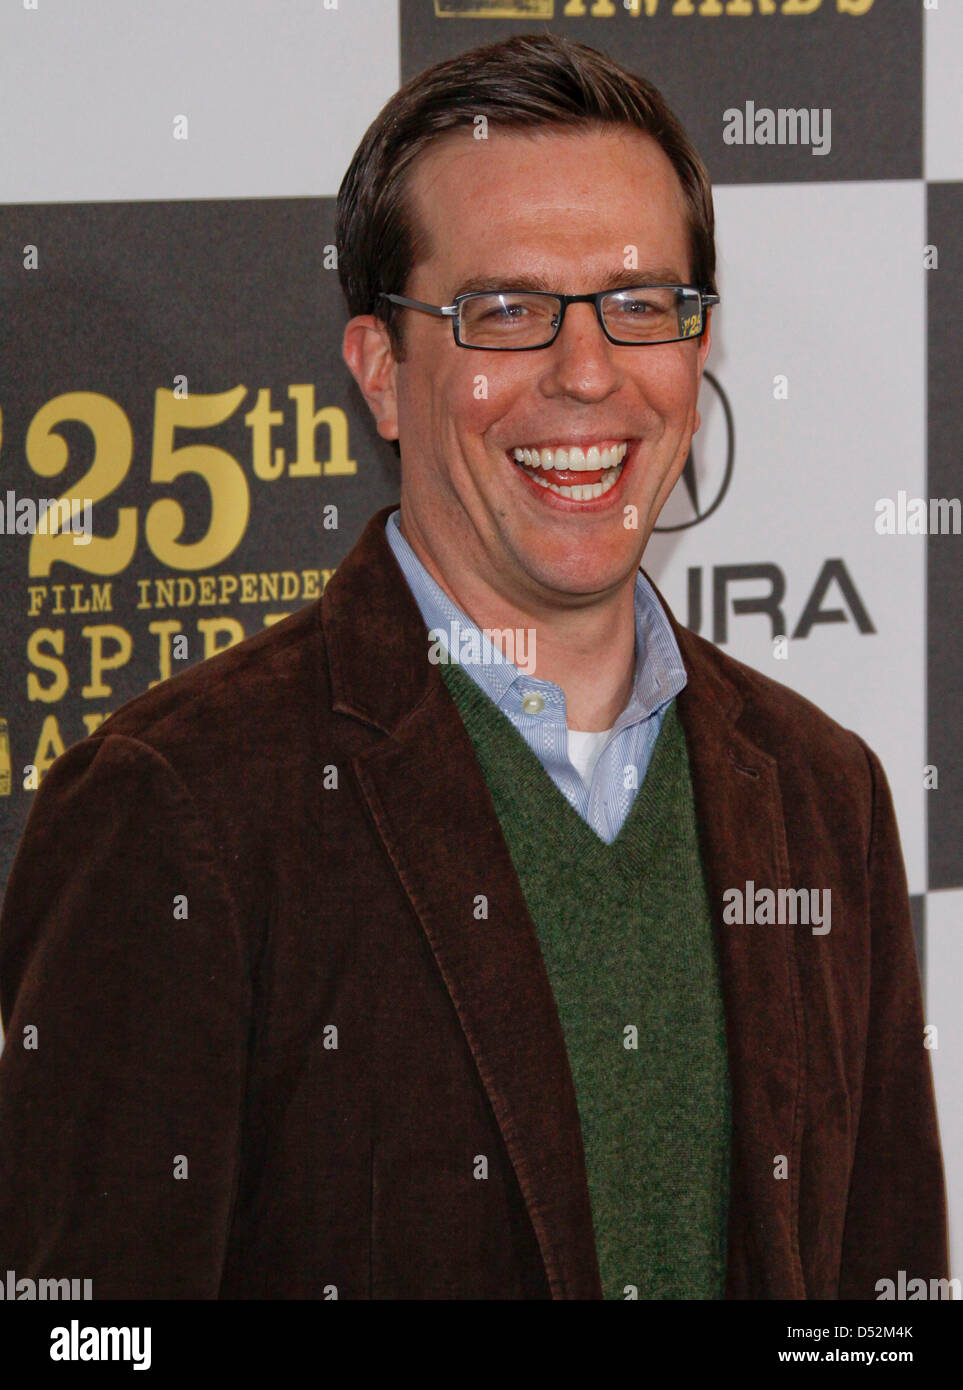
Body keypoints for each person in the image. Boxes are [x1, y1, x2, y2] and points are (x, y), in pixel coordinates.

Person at [0, 33, 947, 1301]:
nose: (588, 370)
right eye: (503, 311)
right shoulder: (180, 808)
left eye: (639, 303)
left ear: (699, 346)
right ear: (383, 374)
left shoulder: (823, 795)